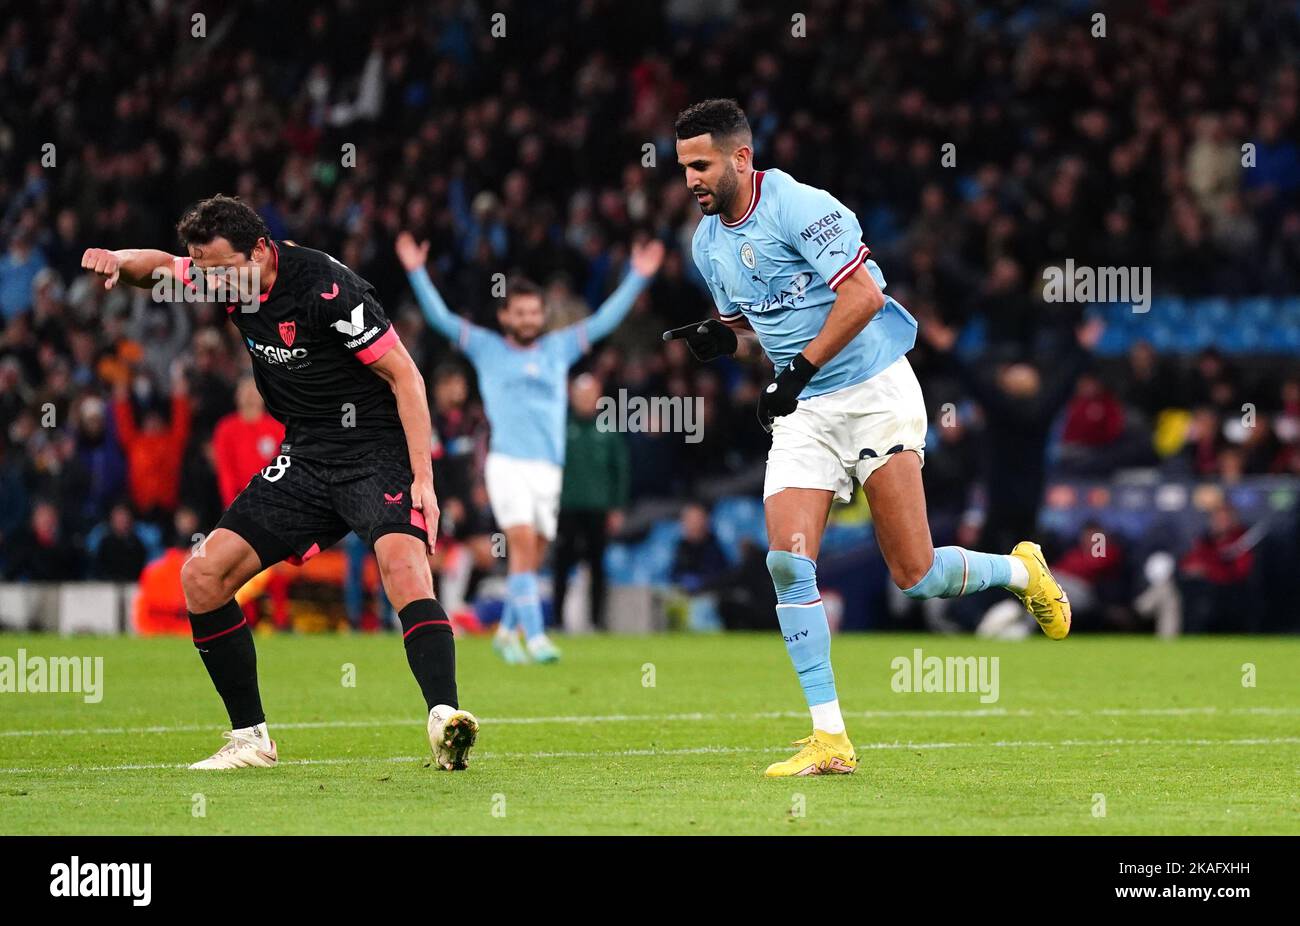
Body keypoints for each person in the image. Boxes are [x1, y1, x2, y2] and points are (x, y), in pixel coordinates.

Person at [667, 99, 1073, 778]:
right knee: (787, 565)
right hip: (805, 409)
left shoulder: (802, 206)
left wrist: (793, 373)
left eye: (701, 164)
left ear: (741, 157)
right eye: (683, 167)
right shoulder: (707, 244)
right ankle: (830, 738)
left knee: (915, 575)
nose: (690, 180)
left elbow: (863, 300)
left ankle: (1020, 570)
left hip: (872, 392)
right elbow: (755, 326)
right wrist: (723, 338)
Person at [80, 194, 477, 771]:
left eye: (220, 270)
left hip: (376, 452)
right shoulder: (229, 276)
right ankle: (251, 739)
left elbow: (407, 377)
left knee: (404, 568)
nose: (211, 283)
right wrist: (119, 258)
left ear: (262, 250)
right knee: (203, 577)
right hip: (307, 455)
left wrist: (423, 479)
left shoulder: (326, 288)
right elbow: (162, 267)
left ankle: (445, 721)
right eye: (207, 272)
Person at [396, 231, 663, 664]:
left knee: (533, 555)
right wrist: (415, 271)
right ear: (505, 316)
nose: (528, 319)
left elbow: (603, 322)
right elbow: (441, 318)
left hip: (548, 469)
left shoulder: (559, 348)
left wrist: (636, 276)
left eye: (534, 312)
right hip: (507, 463)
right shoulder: (486, 348)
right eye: (520, 312)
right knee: (521, 545)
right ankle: (536, 637)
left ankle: (505, 633)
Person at [553, 373, 629, 630]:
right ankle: (557, 620)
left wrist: (617, 507)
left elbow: (620, 469)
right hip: (566, 506)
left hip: (598, 508)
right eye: (580, 395)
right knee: (561, 563)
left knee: (598, 565)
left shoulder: (608, 429)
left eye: (590, 395)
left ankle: (597, 621)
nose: (585, 400)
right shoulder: (559, 427)